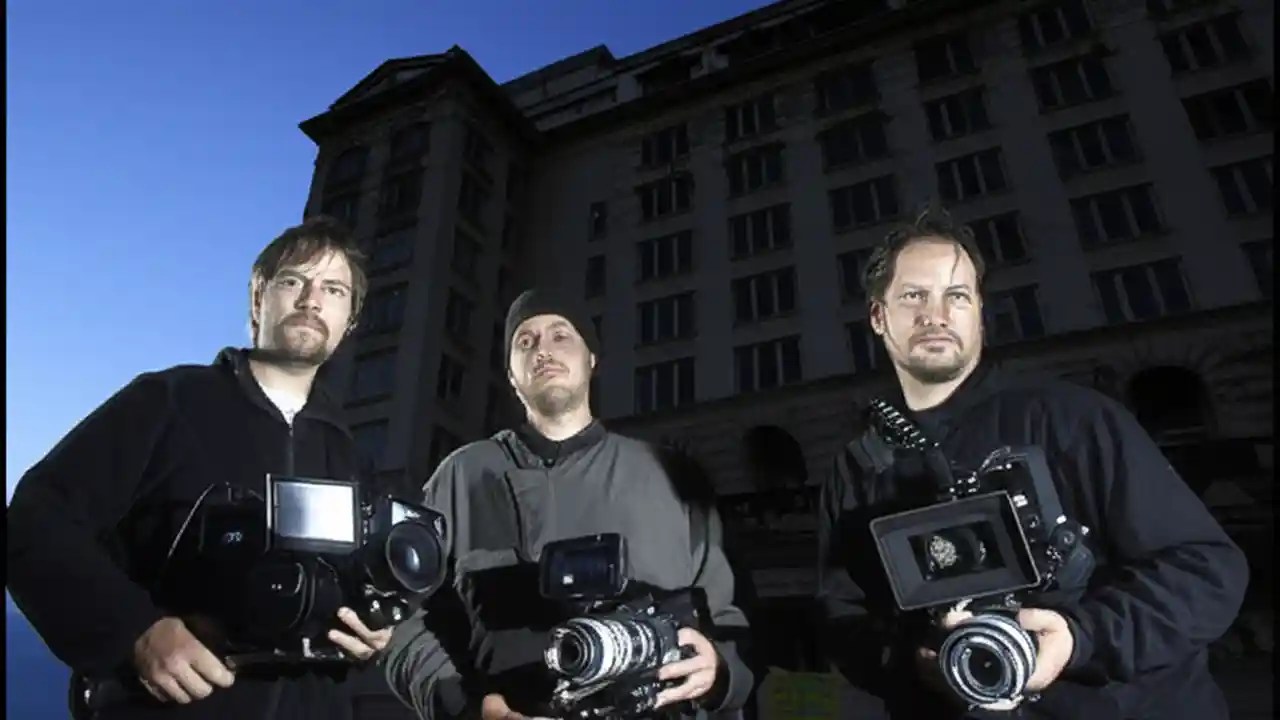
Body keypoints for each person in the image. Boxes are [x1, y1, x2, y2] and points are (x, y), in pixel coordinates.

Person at [815, 205, 1249, 720]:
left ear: (978, 312)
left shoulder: (1070, 418)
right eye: (914, 296)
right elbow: (841, 617)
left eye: (957, 296)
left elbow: (1207, 569)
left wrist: (1080, 637)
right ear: (878, 316)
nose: (936, 314)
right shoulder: (855, 468)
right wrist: (911, 660)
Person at [7, 216, 399, 720]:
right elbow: (36, 519)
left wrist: (373, 636)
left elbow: (355, 598)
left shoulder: (351, 457)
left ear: (351, 319)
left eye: (333, 289)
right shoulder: (168, 401)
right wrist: (135, 631)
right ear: (258, 299)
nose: (311, 300)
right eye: (292, 281)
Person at [381, 288, 754, 720]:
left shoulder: (671, 475)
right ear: (511, 375)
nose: (543, 349)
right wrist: (471, 708)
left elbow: (733, 617)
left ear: (592, 358)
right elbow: (406, 621)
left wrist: (720, 672)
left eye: (562, 335)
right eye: (526, 341)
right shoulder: (462, 475)